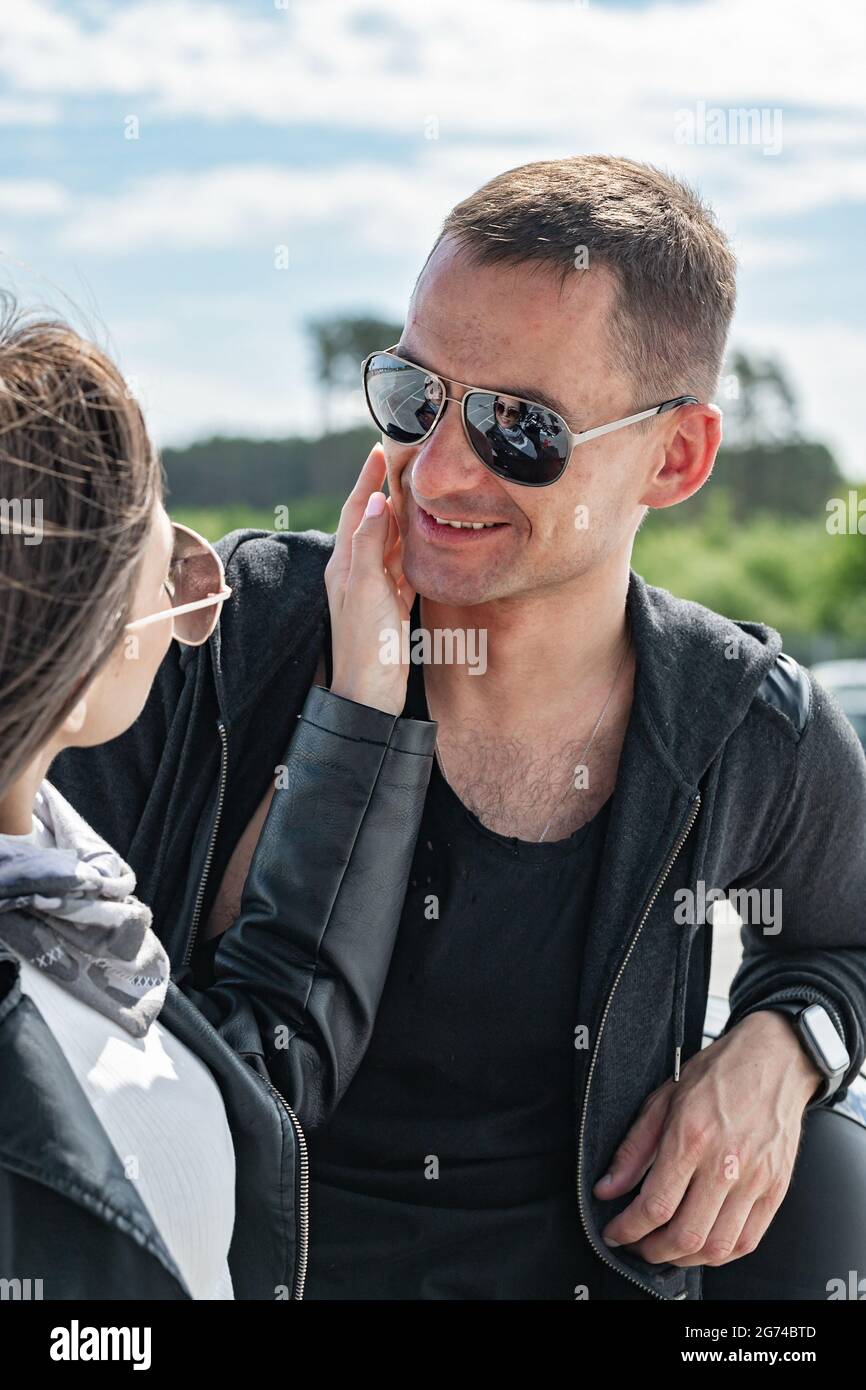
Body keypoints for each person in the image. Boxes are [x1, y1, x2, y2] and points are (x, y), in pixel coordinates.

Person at [52, 156, 866, 1301]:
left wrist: (789, 1044)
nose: (434, 468)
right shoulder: (212, 645)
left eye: (517, 428)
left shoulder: (742, 725)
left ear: (673, 457)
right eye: (414, 396)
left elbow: (848, 939)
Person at [0, 304, 435, 1298]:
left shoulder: (67, 897)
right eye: (168, 552)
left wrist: (361, 697)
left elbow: (255, 1055)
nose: (206, 589)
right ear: (84, 622)